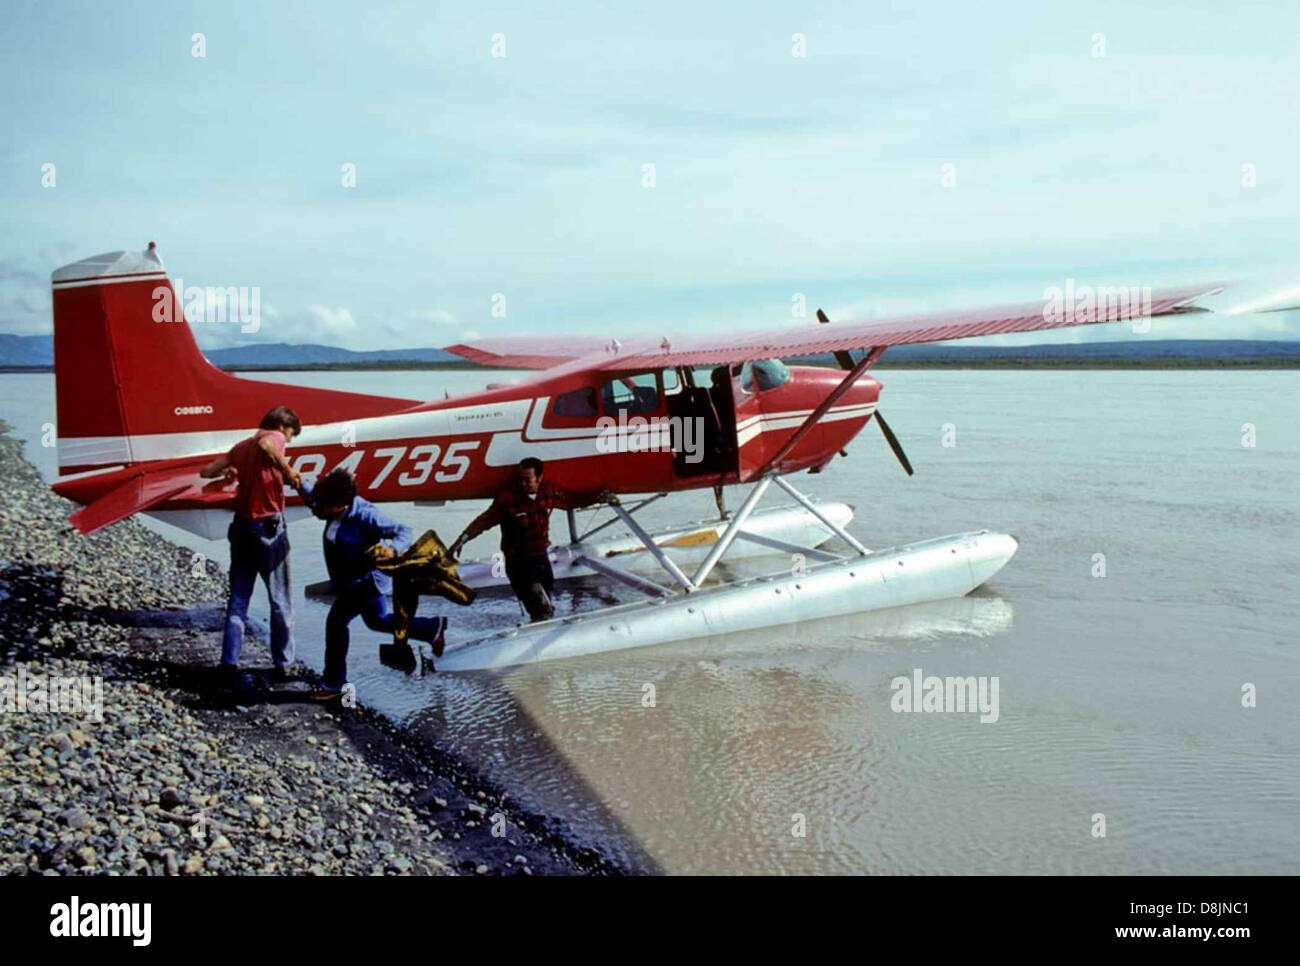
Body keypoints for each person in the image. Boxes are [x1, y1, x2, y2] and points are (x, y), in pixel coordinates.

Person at [301, 467, 449, 701]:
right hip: (351, 580)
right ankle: (431, 628)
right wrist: (297, 481)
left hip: (368, 581)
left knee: (337, 622)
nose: (319, 510)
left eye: (324, 506)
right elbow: (314, 499)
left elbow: (404, 531)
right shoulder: (328, 505)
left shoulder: (365, 515)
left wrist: (393, 549)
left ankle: (334, 682)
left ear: (341, 504)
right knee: (377, 621)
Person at [200, 406, 302, 687]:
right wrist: (288, 470)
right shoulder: (272, 438)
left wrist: (229, 476)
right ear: (283, 427)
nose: (288, 443)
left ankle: (229, 663)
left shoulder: (240, 447)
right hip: (268, 529)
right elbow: (267, 444)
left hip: (241, 528)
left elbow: (206, 471)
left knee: (238, 600)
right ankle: (283, 664)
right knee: (280, 600)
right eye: (291, 436)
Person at [449, 457, 611, 622]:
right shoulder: (508, 498)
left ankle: (542, 622)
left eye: (528, 480)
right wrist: (463, 539)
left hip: (540, 557)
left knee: (546, 596)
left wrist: (599, 497)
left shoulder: (547, 492)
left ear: (539, 478)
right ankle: (539, 622)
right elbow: (484, 520)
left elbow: (570, 501)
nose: (523, 484)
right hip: (517, 561)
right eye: (521, 480)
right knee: (537, 603)